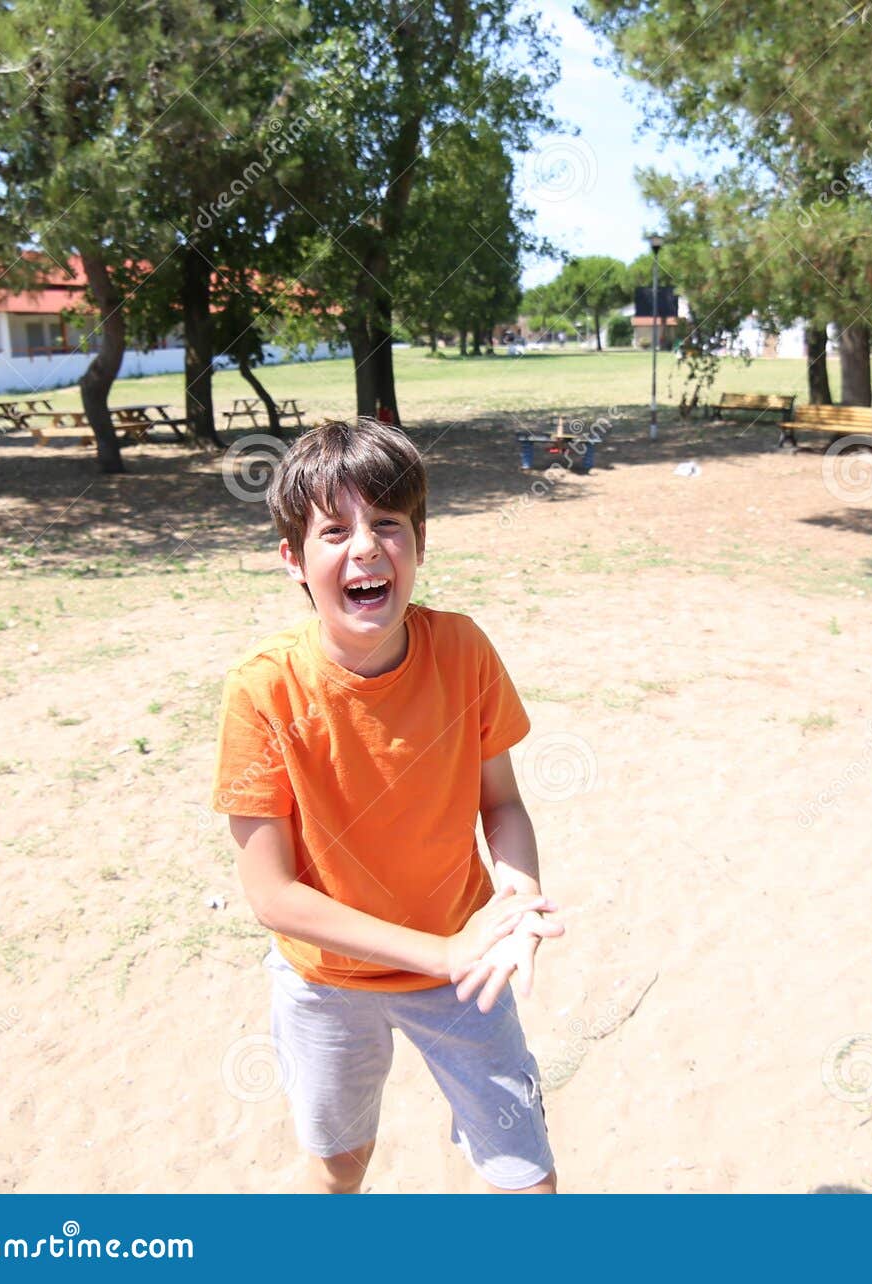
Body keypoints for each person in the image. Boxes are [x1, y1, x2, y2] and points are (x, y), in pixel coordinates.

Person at [212, 418, 564, 1194]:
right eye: (334, 531)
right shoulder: (263, 690)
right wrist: (437, 952)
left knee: (527, 1177)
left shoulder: (463, 650)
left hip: (464, 971)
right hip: (327, 981)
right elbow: (272, 896)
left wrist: (517, 902)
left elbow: (500, 804)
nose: (365, 548)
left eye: (389, 525)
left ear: (421, 544)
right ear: (293, 561)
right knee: (338, 1172)